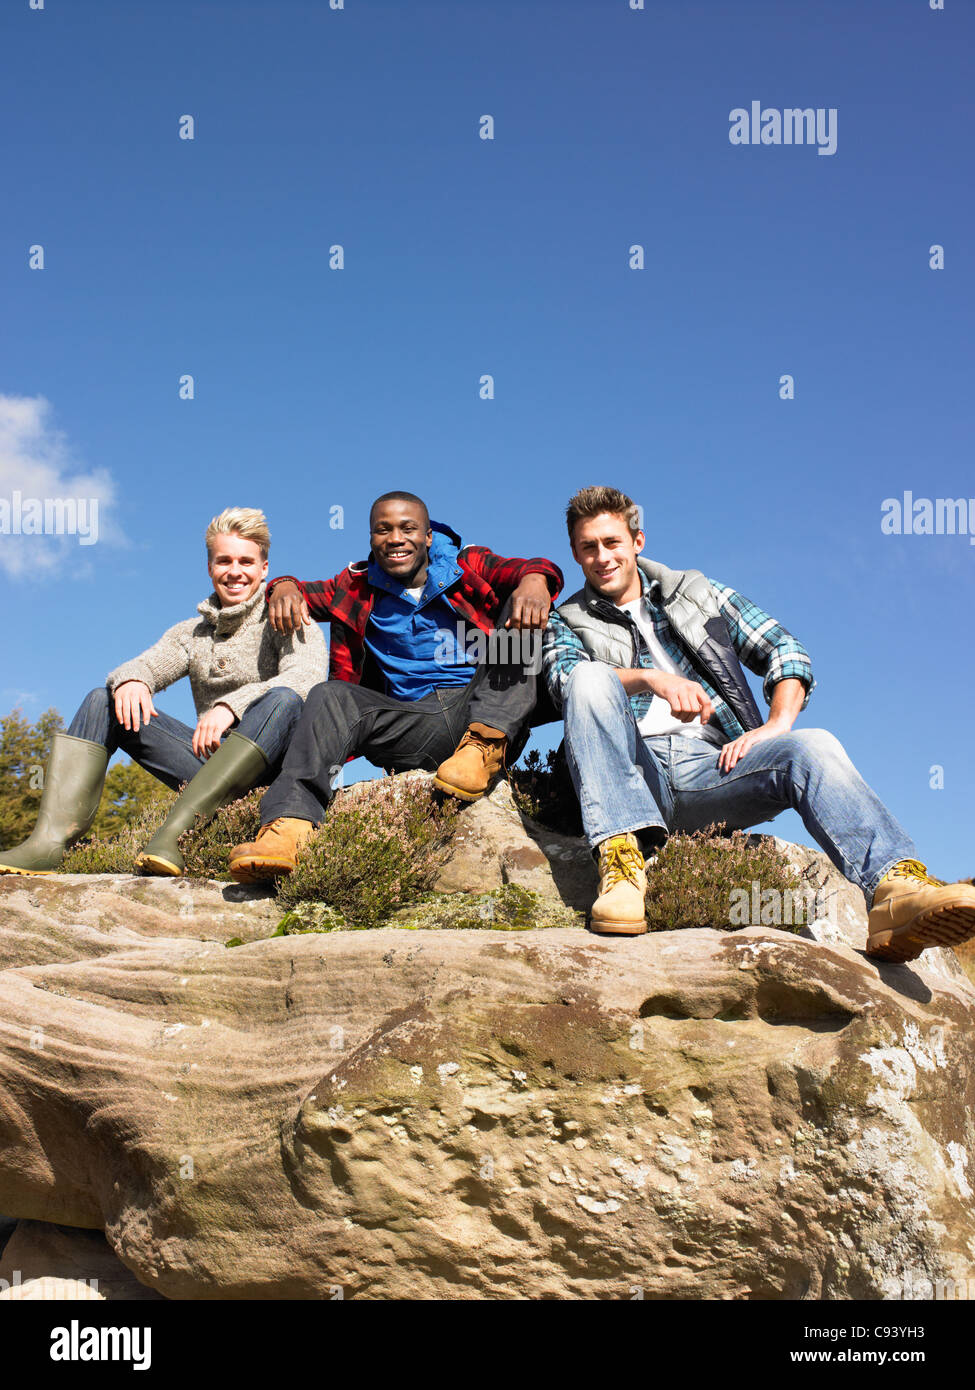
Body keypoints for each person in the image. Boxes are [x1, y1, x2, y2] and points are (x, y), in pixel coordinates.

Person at [541, 485, 975, 962]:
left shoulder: (697, 592)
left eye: (612, 542)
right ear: (576, 554)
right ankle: (623, 872)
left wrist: (775, 725)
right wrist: (651, 679)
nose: (602, 557)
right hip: (626, 769)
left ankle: (895, 889)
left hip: (707, 770)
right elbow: (564, 682)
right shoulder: (565, 620)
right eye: (589, 547)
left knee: (814, 744)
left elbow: (784, 649)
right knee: (587, 678)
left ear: (637, 542)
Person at [227, 491, 563, 881]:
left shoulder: (466, 564)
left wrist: (535, 581)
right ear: (371, 538)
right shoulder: (355, 586)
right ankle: (288, 828)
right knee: (329, 695)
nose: (396, 538)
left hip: (483, 706)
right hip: (413, 722)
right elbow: (299, 589)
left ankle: (483, 747)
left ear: (429, 536)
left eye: (408, 528)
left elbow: (532, 567)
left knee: (520, 615)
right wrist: (283, 585)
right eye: (382, 530)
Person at [0, 507, 327, 878]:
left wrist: (230, 707)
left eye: (245, 561)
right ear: (209, 567)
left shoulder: (287, 616)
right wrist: (134, 679)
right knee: (103, 699)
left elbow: (307, 680)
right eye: (224, 560)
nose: (234, 571)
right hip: (206, 768)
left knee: (283, 698)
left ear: (264, 568)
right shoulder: (191, 633)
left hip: (269, 772)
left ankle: (174, 837)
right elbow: (143, 664)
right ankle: (49, 845)